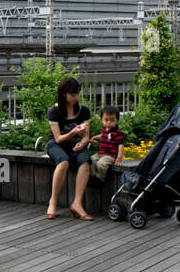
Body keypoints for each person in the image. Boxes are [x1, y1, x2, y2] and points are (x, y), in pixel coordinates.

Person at [46, 77, 94, 220]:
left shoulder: (84, 111)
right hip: (57, 145)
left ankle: (77, 204)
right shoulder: (54, 111)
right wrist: (73, 132)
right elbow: (58, 138)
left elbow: (86, 136)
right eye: (72, 95)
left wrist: (83, 143)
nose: (76, 98)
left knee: (85, 162)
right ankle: (52, 202)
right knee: (63, 162)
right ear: (63, 94)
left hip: (76, 145)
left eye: (77, 94)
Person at [84, 105, 125, 183]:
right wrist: (94, 137)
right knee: (90, 160)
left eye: (112, 120)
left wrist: (119, 157)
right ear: (101, 119)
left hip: (110, 155)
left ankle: (100, 178)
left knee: (101, 164)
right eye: (106, 120)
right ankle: (92, 175)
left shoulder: (118, 133)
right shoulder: (105, 129)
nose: (109, 122)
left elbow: (121, 145)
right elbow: (102, 136)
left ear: (117, 120)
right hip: (100, 153)